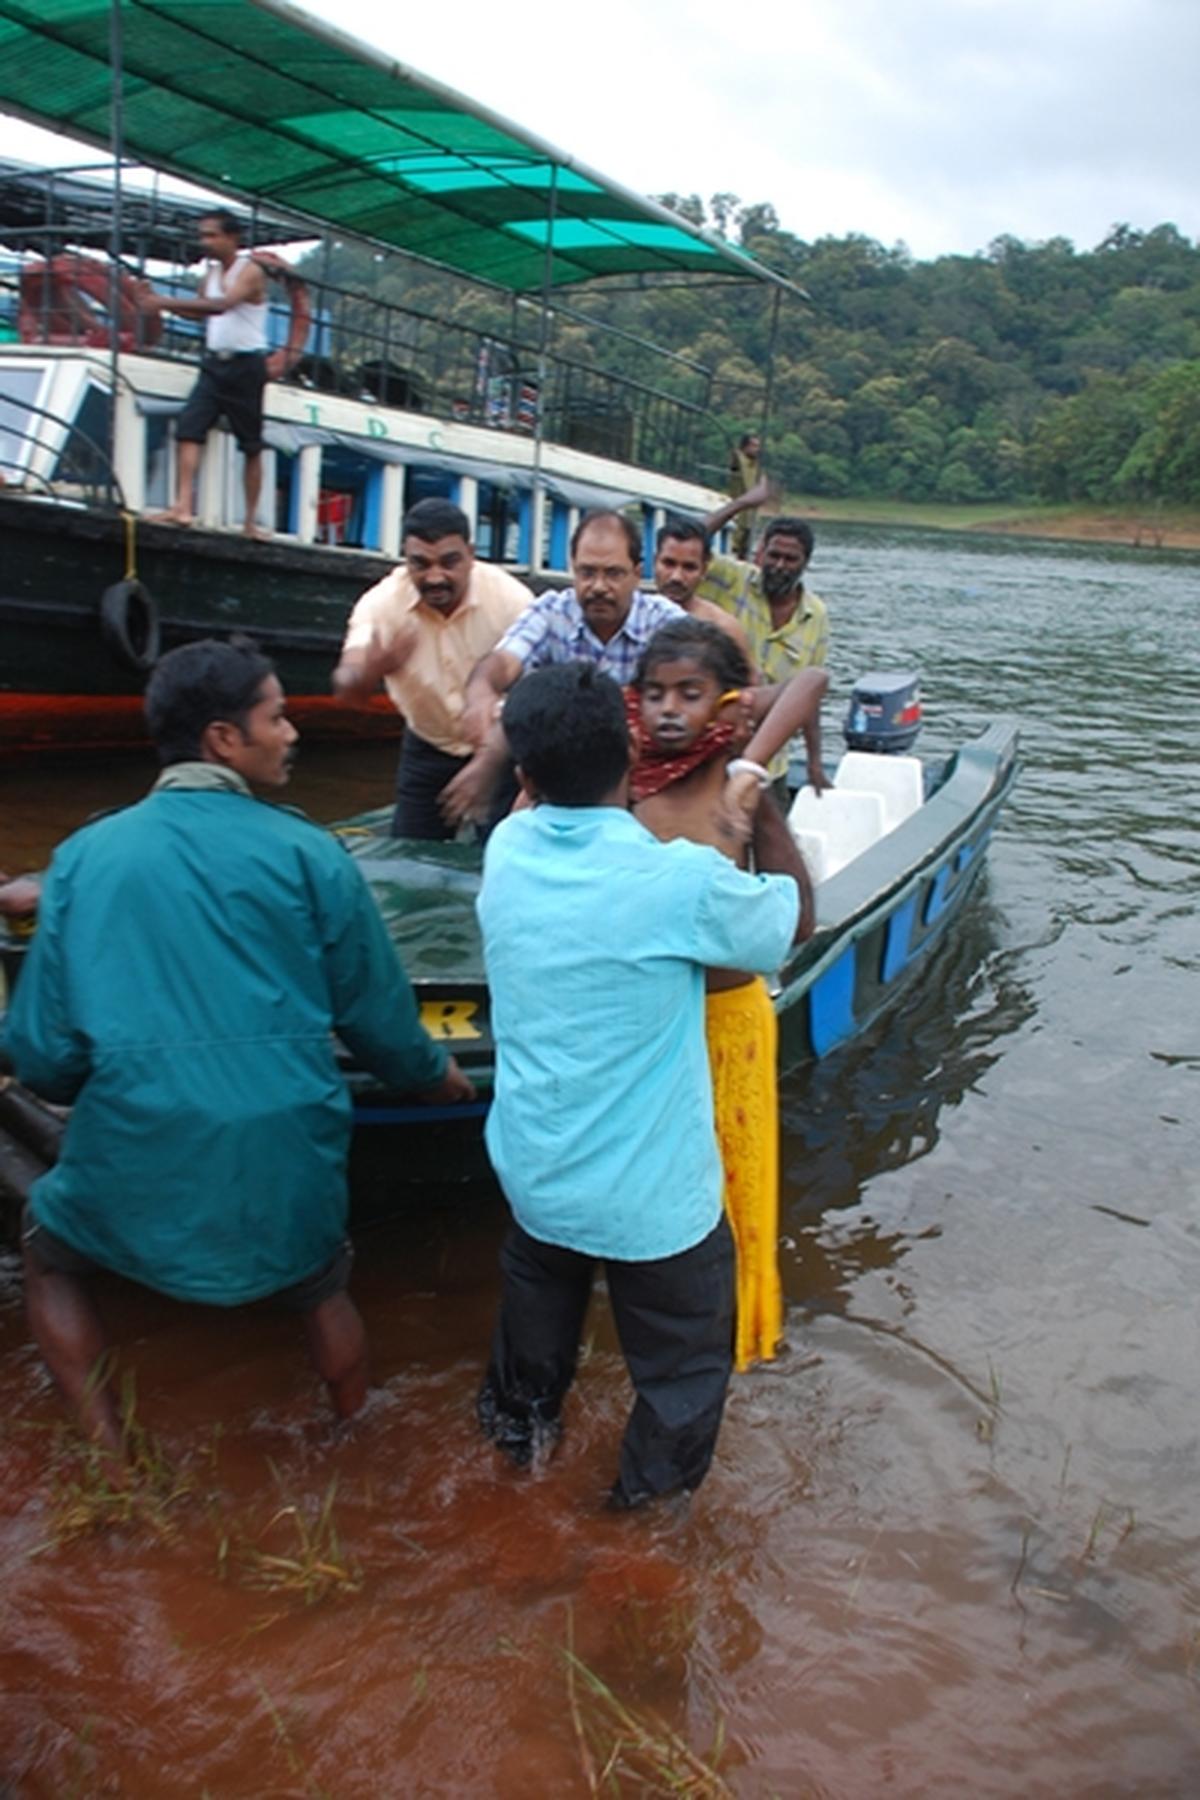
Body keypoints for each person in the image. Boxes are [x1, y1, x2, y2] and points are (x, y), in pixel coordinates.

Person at [2, 637, 473, 1459]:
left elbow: (43, 1058)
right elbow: (379, 1022)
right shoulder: (311, 852)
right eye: (276, 718)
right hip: (284, 1147)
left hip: (139, 1142)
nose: (292, 734)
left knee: (50, 1254)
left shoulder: (81, 859)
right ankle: (355, 1442)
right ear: (223, 739)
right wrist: (440, 1081)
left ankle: (111, 1458)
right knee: (321, 1284)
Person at [475, 661, 801, 1509]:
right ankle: (641, 1528)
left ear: (524, 775)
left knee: (527, 1374)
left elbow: (536, 809)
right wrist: (756, 795)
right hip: (656, 1207)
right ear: (629, 747)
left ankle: (512, 1475)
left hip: (538, 1178)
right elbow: (788, 924)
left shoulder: (505, 852)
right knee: (680, 1378)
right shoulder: (680, 882)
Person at [628, 617, 824, 1369]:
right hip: (652, 1027)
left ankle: (738, 1340)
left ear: (725, 703)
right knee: (656, 1198)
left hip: (726, 1024)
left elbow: (798, 923)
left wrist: (753, 778)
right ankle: (655, 1343)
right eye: (656, 693)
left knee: (734, 1190)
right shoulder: (625, 782)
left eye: (691, 693)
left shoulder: (736, 786)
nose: (669, 710)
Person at [444, 509, 684, 825]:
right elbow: (503, 661)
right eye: (587, 573)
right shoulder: (552, 612)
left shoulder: (665, 622)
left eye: (613, 574)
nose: (598, 586)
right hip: (559, 772)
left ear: (637, 574)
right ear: (573, 569)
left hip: (641, 772)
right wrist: (481, 692)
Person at [331, 497, 533, 838]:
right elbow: (346, 675)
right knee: (408, 854)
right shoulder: (382, 604)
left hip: (504, 746)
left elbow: (536, 693)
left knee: (503, 849)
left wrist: (489, 760)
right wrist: (365, 673)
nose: (435, 577)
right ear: (405, 559)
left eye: (449, 562)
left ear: (471, 555)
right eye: (420, 564)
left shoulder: (511, 601)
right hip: (429, 744)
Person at [140, 210, 272, 536]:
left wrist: (162, 301)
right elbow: (199, 313)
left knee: (250, 444)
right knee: (189, 428)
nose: (206, 242)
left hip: (246, 366)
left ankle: (250, 521)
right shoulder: (210, 274)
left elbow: (221, 306)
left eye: (212, 235)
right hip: (215, 363)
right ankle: (182, 506)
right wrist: (160, 304)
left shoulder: (249, 271)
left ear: (232, 238)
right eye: (203, 236)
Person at [696, 507, 830, 798]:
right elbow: (692, 541)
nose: (780, 565)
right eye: (774, 555)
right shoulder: (734, 581)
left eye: (790, 559)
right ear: (761, 554)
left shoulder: (815, 615)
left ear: (805, 563)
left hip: (772, 763)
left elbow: (810, 696)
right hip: (714, 752)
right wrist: (742, 503)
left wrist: (814, 761)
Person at [653, 516, 754, 664]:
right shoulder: (633, 618)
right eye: (669, 564)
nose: (676, 577)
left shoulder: (724, 628)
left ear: (704, 570)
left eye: (689, 567)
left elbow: (749, 677)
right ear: (655, 561)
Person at [727, 432, 762, 558]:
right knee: (734, 544)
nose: (756, 449)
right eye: (753, 445)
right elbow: (735, 459)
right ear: (745, 446)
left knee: (746, 548)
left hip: (751, 514)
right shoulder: (739, 459)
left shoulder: (756, 464)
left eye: (758, 446)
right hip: (738, 511)